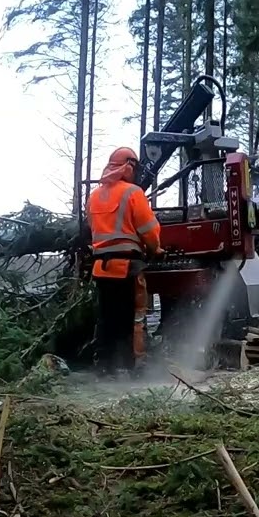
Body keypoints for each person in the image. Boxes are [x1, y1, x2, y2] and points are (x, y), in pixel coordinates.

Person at [87, 146, 161, 377]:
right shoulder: (132, 193)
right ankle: (134, 367)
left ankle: (104, 366)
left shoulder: (94, 196)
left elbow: (93, 230)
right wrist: (156, 249)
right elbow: (149, 230)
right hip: (128, 267)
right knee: (135, 317)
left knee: (107, 318)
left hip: (102, 268)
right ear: (128, 166)